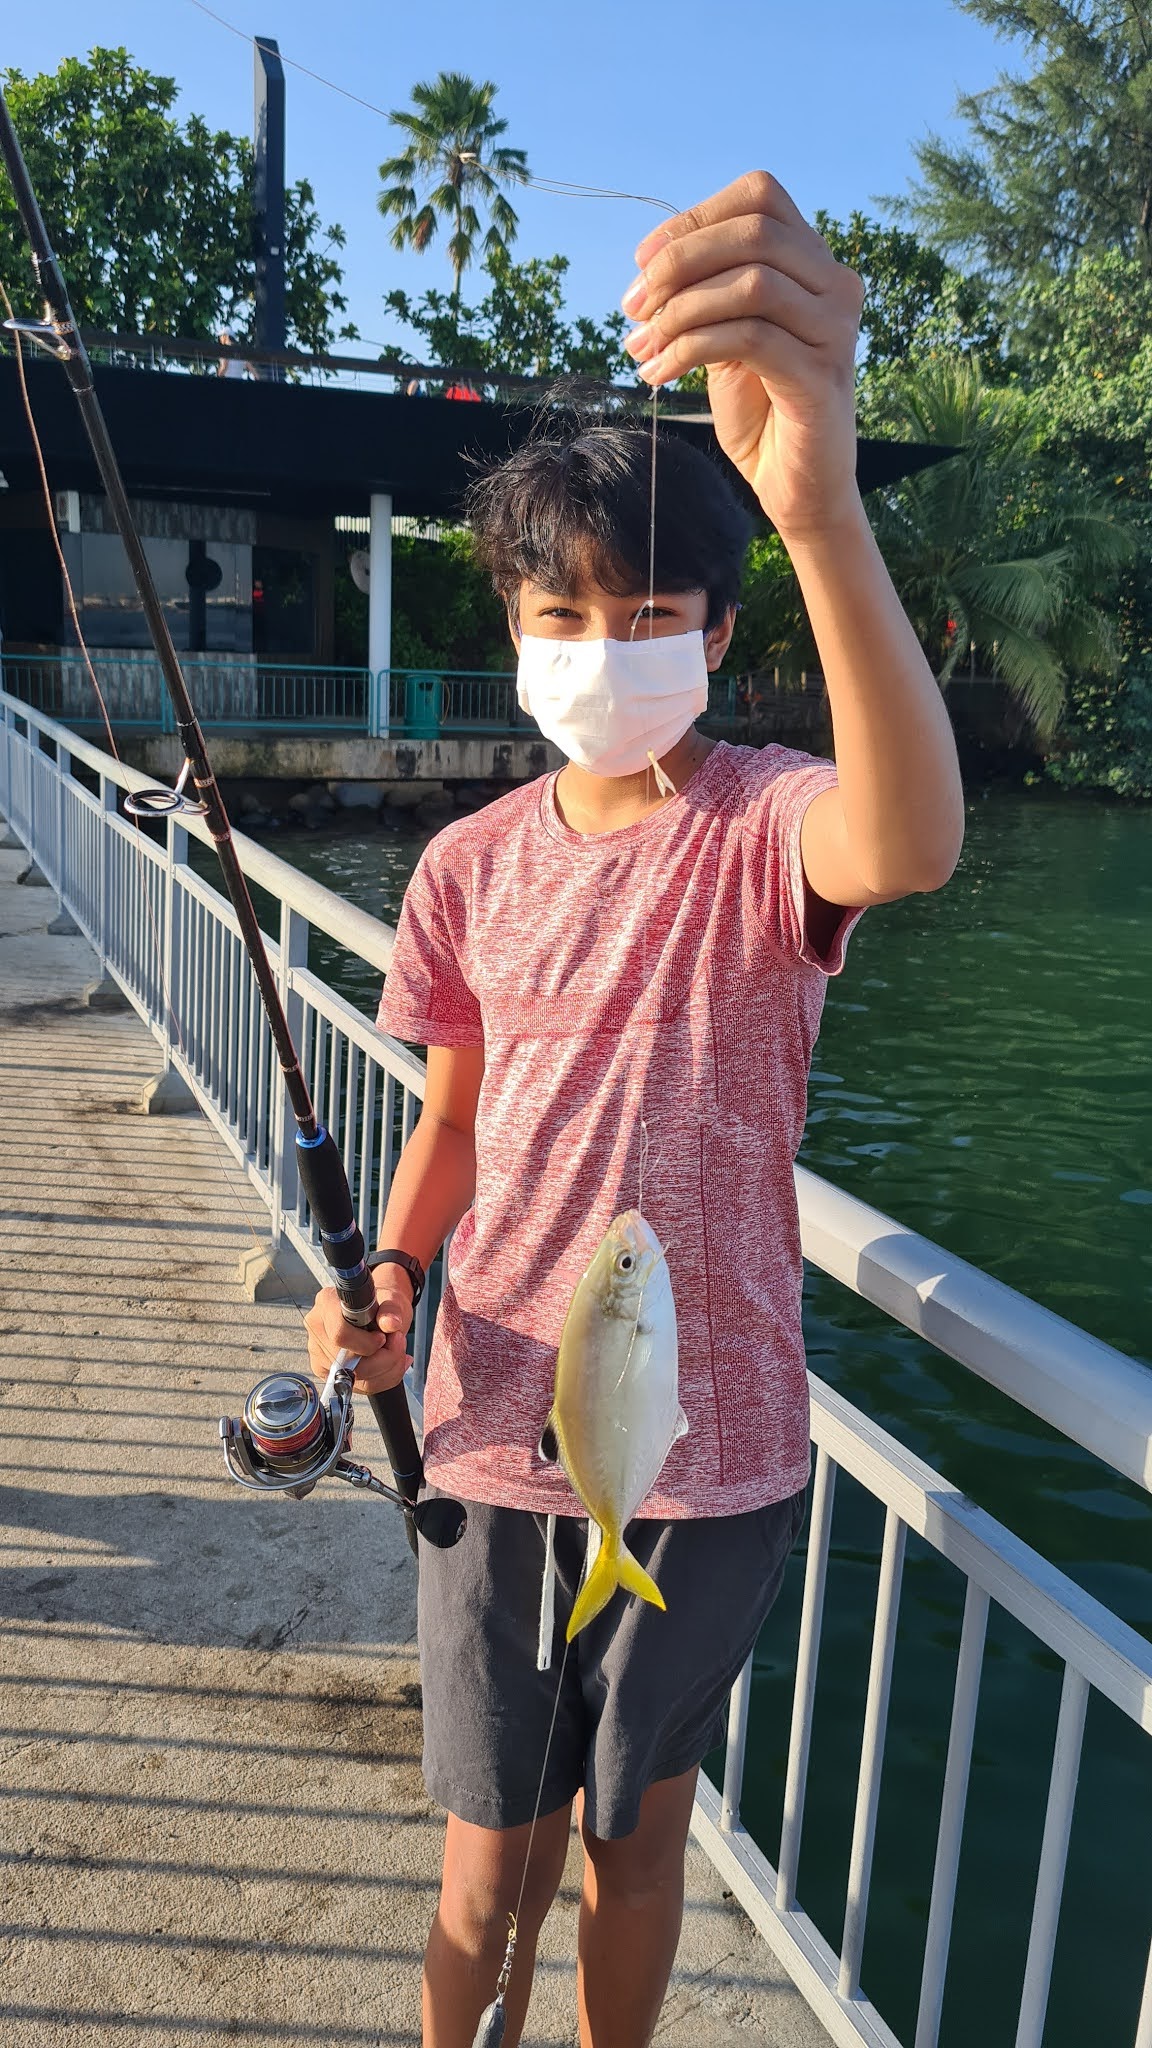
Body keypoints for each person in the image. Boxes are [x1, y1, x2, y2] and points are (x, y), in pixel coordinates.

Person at [305, 170, 964, 2048]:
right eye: (563, 608)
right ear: (512, 622)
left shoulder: (765, 820)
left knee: (637, 1835)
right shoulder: (465, 869)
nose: (605, 642)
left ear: (719, 636)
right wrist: (386, 1283)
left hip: (718, 1443)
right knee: (478, 1856)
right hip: (492, 1427)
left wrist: (820, 507)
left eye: (652, 608)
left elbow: (908, 838)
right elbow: (451, 1115)